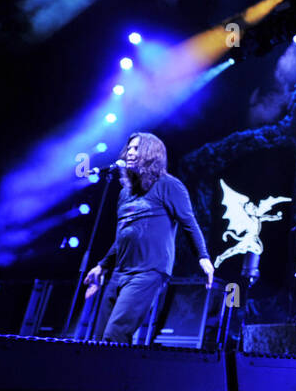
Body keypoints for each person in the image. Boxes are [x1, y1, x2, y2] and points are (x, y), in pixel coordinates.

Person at [85, 132, 213, 343]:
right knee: (99, 339)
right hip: (119, 273)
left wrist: (204, 258)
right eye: (129, 148)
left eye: (137, 148)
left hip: (149, 271)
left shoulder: (169, 185)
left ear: (151, 153)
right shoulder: (125, 193)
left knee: (114, 335)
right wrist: (101, 266)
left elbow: (189, 223)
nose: (130, 153)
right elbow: (123, 237)